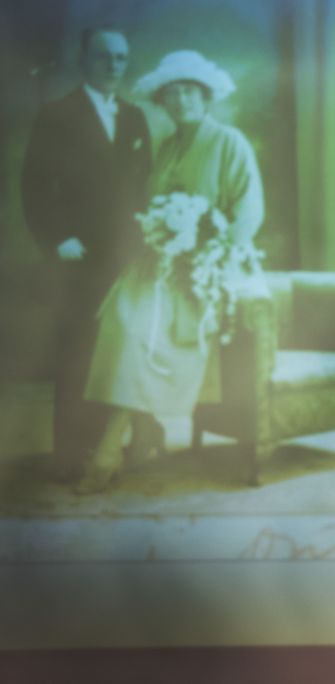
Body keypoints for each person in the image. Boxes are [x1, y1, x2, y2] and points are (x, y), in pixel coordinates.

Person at [76, 50, 264, 494]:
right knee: (119, 319)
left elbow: (249, 211)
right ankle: (143, 430)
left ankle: (108, 450)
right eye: (171, 94)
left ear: (205, 96)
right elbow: (154, 210)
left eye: (189, 92)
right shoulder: (166, 147)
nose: (181, 101)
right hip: (161, 261)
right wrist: (161, 236)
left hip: (206, 267)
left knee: (141, 329)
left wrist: (212, 255)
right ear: (163, 102)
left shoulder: (228, 141)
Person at [20, 27, 152, 483]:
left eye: (121, 58)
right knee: (76, 356)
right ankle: (68, 457)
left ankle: (103, 451)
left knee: (114, 356)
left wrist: (145, 243)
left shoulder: (135, 118)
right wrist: (58, 239)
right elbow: (33, 188)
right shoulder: (57, 115)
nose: (113, 65)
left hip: (124, 259)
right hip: (77, 259)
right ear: (85, 61)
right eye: (104, 57)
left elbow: (144, 189)